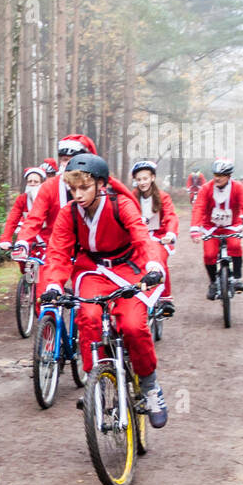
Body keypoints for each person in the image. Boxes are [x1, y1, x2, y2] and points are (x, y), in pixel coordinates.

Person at [38, 152, 169, 428]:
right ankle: (95, 380)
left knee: (134, 326)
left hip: (127, 268)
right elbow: (58, 252)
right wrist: (52, 284)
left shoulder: (121, 205)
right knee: (88, 317)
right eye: (72, 188)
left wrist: (153, 267)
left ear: (101, 185)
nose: (78, 194)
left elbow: (141, 236)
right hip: (92, 271)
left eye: (84, 187)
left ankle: (150, 385)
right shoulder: (69, 213)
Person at [14, 135, 138, 253]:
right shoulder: (49, 187)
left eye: (71, 160)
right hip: (56, 245)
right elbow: (35, 217)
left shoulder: (101, 187)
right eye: (63, 160)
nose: (67, 164)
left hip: (90, 250)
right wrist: (23, 241)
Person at [190, 158, 243, 299]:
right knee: (209, 255)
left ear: (229, 176)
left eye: (221, 175)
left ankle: (237, 279)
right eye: (215, 175)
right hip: (211, 227)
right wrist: (195, 228)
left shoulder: (238, 187)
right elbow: (199, 208)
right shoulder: (206, 188)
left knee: (235, 245)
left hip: (232, 225)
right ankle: (213, 282)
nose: (217, 178)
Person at [130, 160, 178, 316]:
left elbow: (171, 216)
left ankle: (165, 299)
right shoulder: (132, 197)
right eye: (139, 179)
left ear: (152, 178)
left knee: (159, 261)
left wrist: (170, 234)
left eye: (145, 178)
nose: (142, 182)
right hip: (138, 239)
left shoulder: (163, 197)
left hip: (159, 238)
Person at [0, 166, 48, 269]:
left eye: (36, 181)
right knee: (25, 266)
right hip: (27, 238)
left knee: (47, 268)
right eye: (30, 181)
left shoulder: (49, 198)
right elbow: (12, 220)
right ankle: (27, 283)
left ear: (42, 182)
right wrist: (6, 239)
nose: (32, 184)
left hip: (46, 239)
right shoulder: (22, 199)